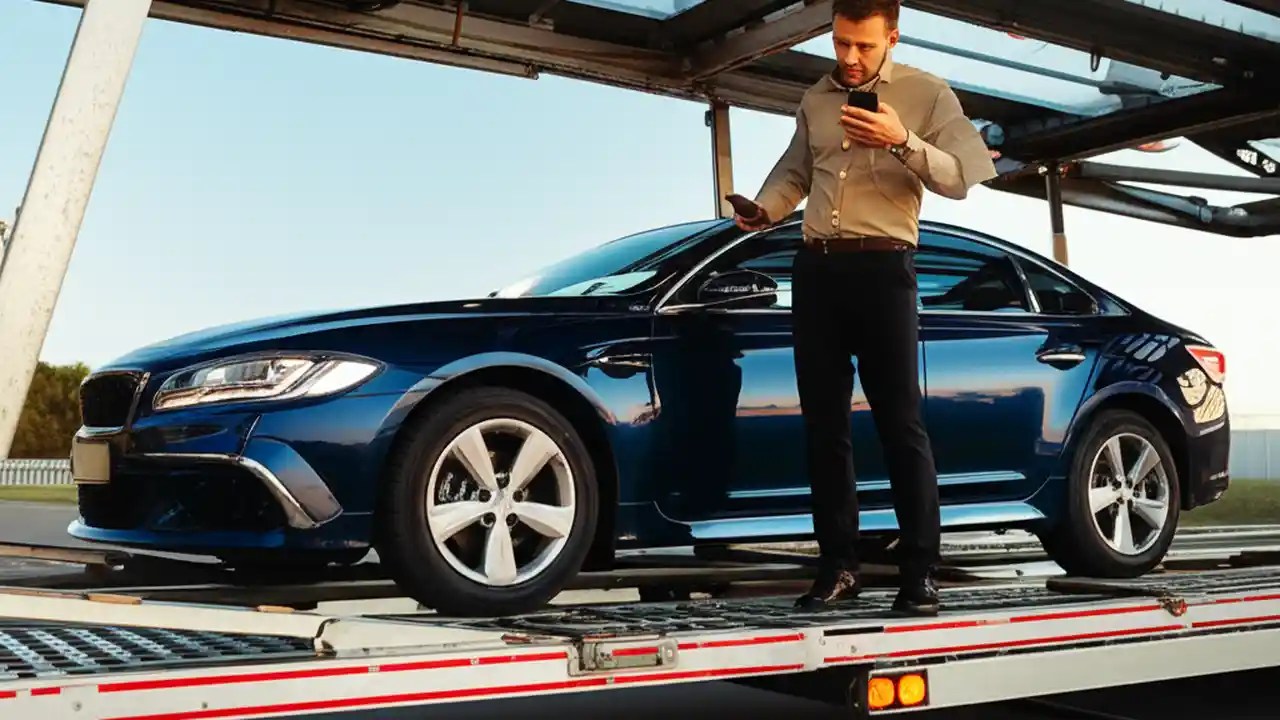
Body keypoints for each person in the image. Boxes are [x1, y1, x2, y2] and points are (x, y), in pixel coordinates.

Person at [734, 0, 997, 617]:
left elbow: (963, 177)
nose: (850, 58)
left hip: (884, 270)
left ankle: (920, 573)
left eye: (864, 46)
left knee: (898, 423)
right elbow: (796, 169)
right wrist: (765, 210)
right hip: (817, 270)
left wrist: (903, 141)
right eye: (841, 43)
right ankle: (838, 567)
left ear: (892, 37)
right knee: (823, 429)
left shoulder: (928, 95)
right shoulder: (814, 99)